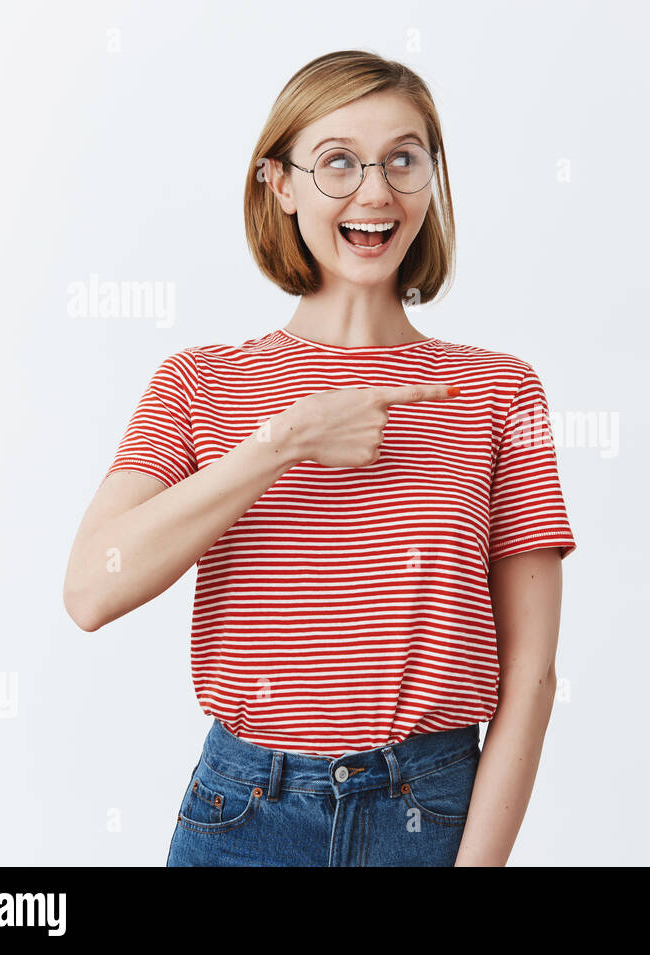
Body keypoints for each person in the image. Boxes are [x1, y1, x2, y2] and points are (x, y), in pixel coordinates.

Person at [62, 51, 577, 867]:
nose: (375, 192)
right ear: (280, 183)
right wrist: (285, 442)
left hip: (430, 812)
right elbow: (91, 589)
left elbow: (533, 680)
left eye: (403, 160)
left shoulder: (498, 392)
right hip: (244, 815)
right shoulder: (202, 381)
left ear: (431, 180)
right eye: (338, 161)